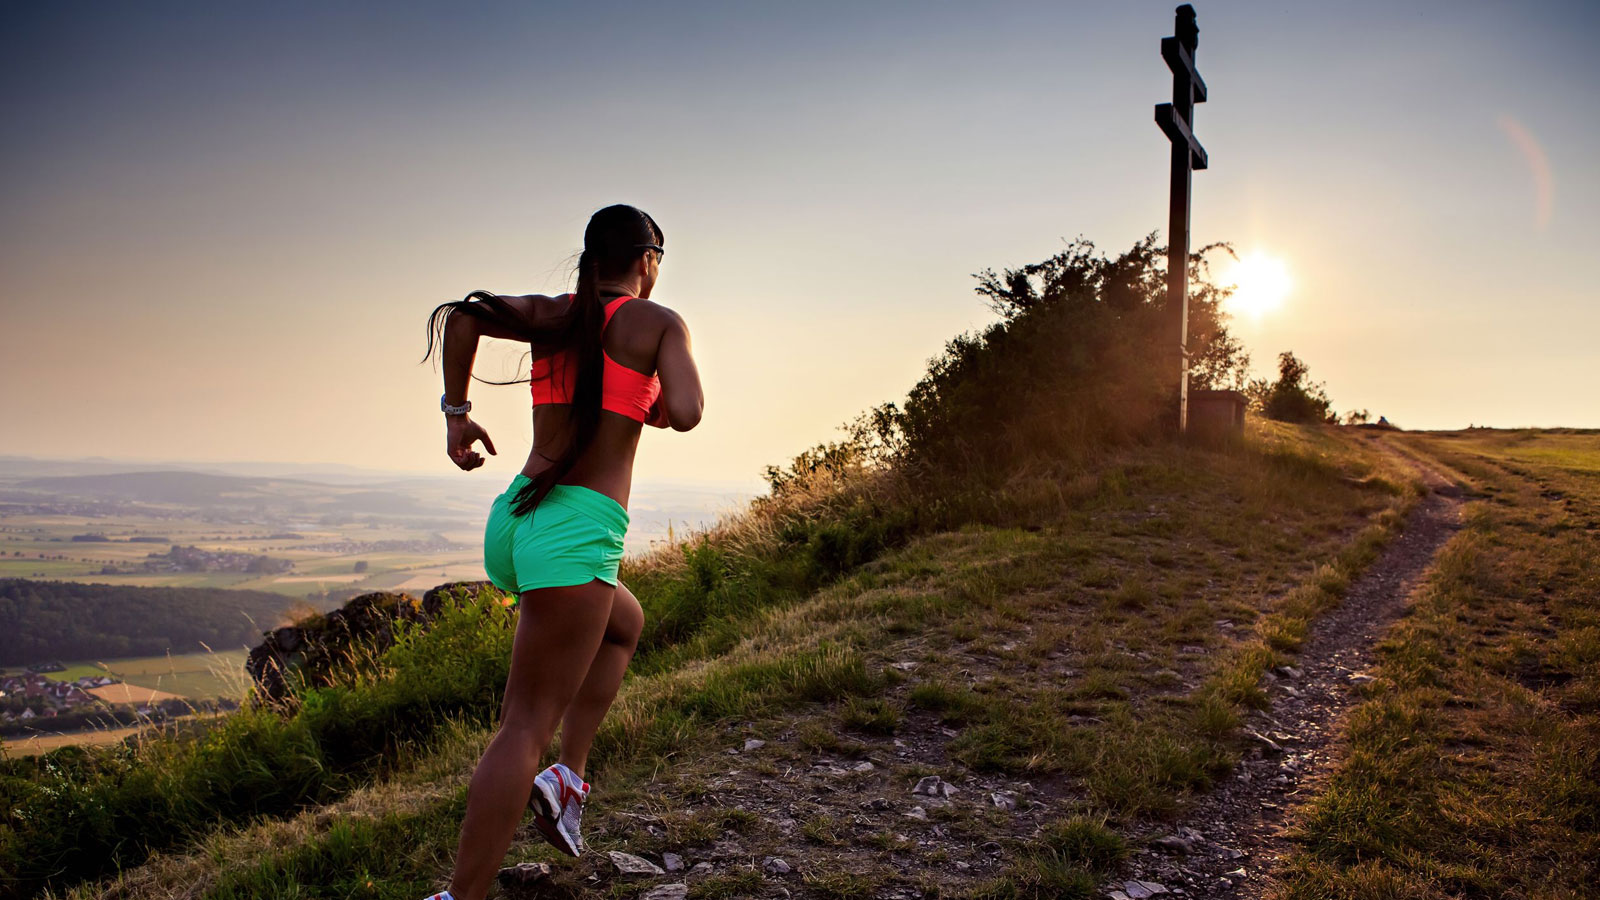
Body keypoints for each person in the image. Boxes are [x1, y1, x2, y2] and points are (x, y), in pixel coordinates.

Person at [418, 204, 703, 900]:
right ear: (646, 260)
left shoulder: (556, 314)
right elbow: (689, 412)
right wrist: (657, 391)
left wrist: (457, 415)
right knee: (523, 725)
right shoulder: (657, 321)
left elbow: (463, 316)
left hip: (519, 517)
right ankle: (463, 894)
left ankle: (567, 779)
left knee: (623, 624)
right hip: (577, 528)